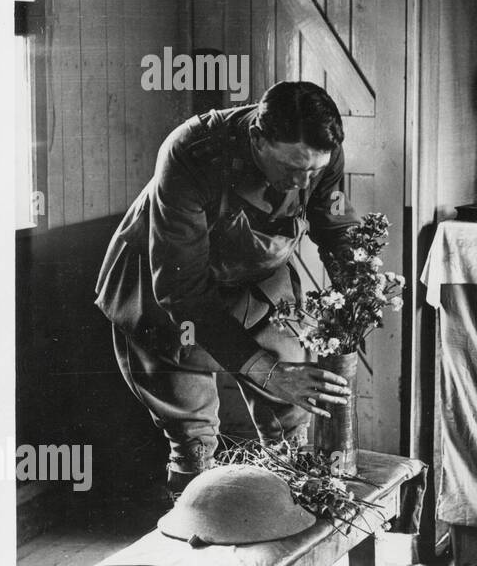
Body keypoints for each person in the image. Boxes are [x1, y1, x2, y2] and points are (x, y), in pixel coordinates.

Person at [96, 81, 357, 495]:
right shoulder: (190, 152)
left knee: (294, 422)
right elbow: (183, 292)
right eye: (291, 169)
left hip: (254, 278)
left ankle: (289, 534)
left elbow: (334, 224)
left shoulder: (319, 153)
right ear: (257, 138)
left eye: (313, 171)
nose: (303, 182)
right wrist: (264, 370)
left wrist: (357, 291)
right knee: (193, 441)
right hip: (168, 293)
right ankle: (196, 539)